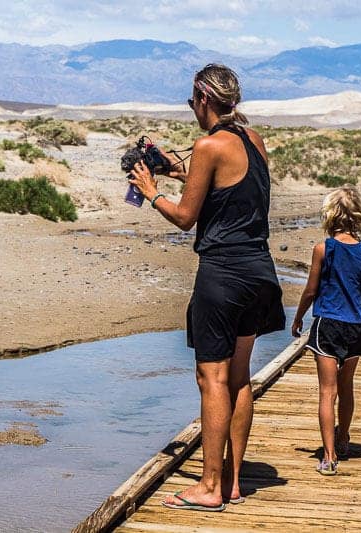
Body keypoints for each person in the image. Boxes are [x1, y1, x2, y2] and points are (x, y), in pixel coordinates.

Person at [128, 64, 285, 511]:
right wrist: (183, 172)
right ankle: (233, 480)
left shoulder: (208, 144)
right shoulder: (253, 141)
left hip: (223, 275)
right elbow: (229, 188)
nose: (190, 107)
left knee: (211, 378)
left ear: (203, 99)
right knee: (239, 378)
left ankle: (210, 486)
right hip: (260, 271)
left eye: (191, 100)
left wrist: (150, 189)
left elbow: (185, 217)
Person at [291, 184, 361, 476]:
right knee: (346, 388)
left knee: (326, 392)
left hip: (328, 326)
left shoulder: (324, 249)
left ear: (330, 215)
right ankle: (343, 437)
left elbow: (310, 291)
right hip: (356, 326)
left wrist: (297, 319)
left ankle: (329, 456)